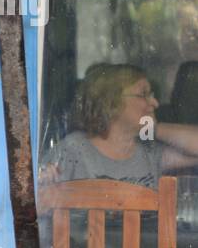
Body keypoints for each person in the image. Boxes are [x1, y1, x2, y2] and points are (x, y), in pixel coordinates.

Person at [42, 63, 198, 189]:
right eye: (144, 94)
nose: (155, 103)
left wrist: (154, 128)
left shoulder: (149, 151)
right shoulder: (71, 151)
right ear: (111, 103)